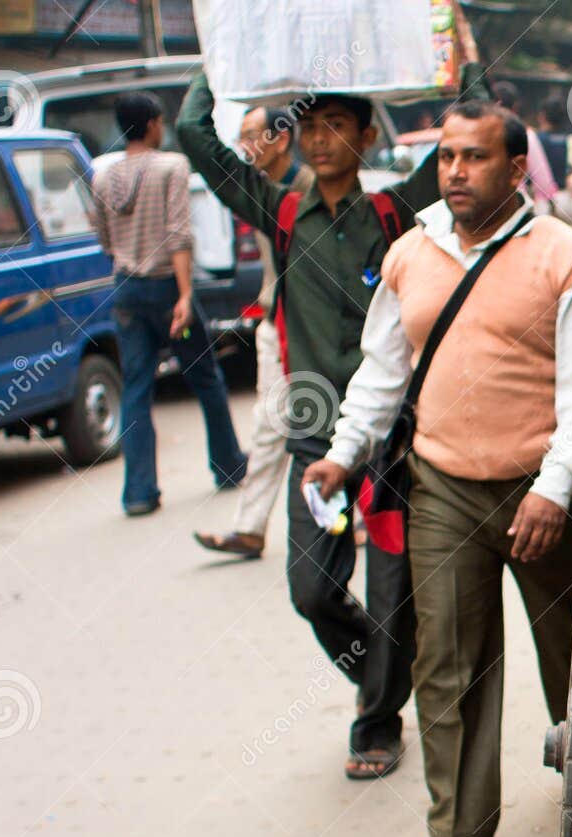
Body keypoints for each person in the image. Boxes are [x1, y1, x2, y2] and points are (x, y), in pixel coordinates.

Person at [303, 100, 572, 837]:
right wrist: (341, 455)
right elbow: (383, 369)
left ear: (516, 170)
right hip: (441, 483)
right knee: (449, 664)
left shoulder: (568, 258)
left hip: (542, 485)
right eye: (447, 157)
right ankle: (459, 835)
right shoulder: (412, 250)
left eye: (475, 158)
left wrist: (554, 487)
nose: (455, 172)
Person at [177, 63, 489, 780]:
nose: (318, 141)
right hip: (318, 439)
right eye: (308, 127)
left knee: (391, 593)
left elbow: (464, 131)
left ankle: (376, 717)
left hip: (391, 439)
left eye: (335, 126)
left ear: (366, 136)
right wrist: (221, 60)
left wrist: (457, 57)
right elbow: (198, 137)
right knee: (312, 588)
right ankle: (387, 677)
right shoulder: (282, 212)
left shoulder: (395, 211)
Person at [87, 91, 246, 516]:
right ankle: (228, 464)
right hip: (167, 289)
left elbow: (102, 237)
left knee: (136, 386)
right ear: (154, 124)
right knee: (206, 378)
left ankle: (139, 492)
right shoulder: (170, 167)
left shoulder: (102, 176)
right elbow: (178, 232)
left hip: (126, 289)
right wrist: (186, 295)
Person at [194, 107, 315, 559]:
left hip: (315, 326)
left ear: (280, 139)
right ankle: (249, 527)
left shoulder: (309, 190)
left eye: (250, 135)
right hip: (275, 323)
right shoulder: (257, 189)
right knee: (270, 423)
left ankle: (358, 516)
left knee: (337, 420)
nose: (244, 145)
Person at [490, 81, 560, 211]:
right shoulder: (526, 134)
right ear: (515, 107)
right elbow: (543, 181)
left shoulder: (478, 135)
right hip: (514, 207)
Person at [536, 96, 568, 190]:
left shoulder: (537, 140)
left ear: (542, 116)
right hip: (564, 194)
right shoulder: (567, 140)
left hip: (542, 195)